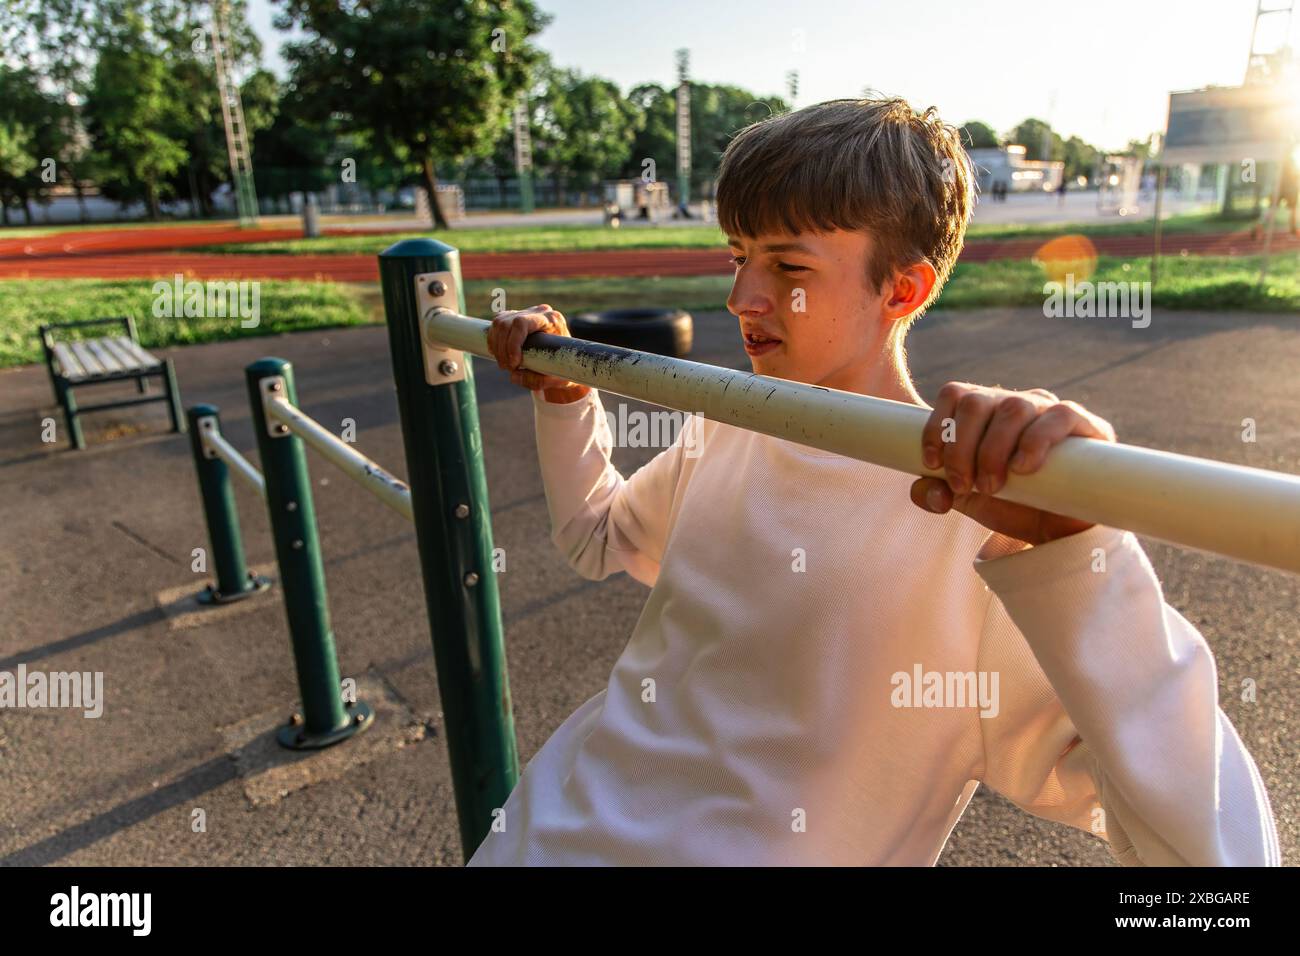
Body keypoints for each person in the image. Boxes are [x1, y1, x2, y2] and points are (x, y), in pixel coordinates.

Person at [473, 97, 1280, 866]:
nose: (741, 297)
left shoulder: (989, 526)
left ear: (904, 289)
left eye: (786, 264)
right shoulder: (727, 424)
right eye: (739, 255)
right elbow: (597, 538)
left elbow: (1214, 853)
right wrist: (568, 399)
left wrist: (1079, 553)